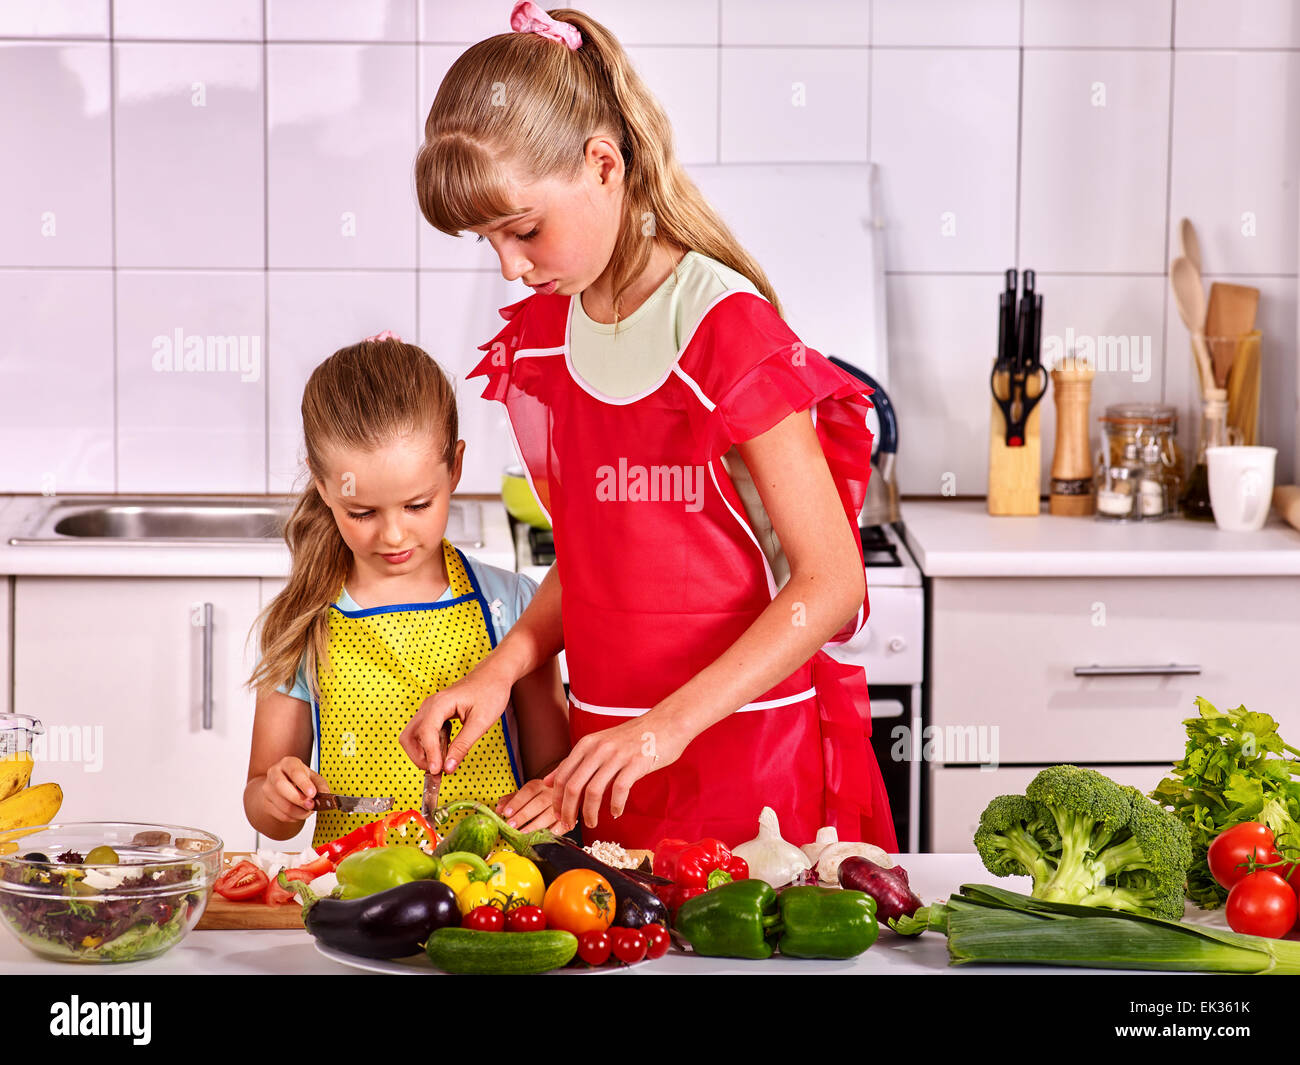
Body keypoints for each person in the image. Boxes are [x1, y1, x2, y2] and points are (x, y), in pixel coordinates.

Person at [401, 2, 898, 852]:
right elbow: (600, 559)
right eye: (488, 242)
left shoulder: (724, 329)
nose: (511, 266)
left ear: (603, 164)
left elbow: (831, 583)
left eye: (522, 230)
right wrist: (504, 667)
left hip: (747, 776)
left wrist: (662, 729)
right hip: (604, 772)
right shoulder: (551, 336)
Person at [244, 334, 569, 846]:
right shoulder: (301, 623)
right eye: (363, 512)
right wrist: (277, 797)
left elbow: (551, 766)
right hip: (356, 900)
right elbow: (264, 805)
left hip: (488, 896)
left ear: (455, 467)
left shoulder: (512, 605)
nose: (393, 535)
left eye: (417, 505)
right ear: (323, 485)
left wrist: (551, 797)